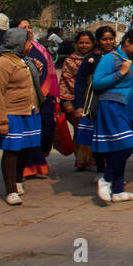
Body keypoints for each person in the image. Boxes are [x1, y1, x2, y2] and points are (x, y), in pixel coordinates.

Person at [90, 28, 133, 203]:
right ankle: (106, 179)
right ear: (126, 42)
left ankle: (118, 191)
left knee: (126, 146)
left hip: (131, 106)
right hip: (111, 106)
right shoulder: (110, 59)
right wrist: (120, 73)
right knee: (124, 146)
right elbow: (97, 83)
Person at [0, 27, 42, 206]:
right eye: (27, 42)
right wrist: (1, 120)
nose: (30, 45)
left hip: (29, 110)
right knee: (12, 150)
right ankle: (10, 189)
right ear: (17, 42)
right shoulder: (3, 63)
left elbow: (28, 83)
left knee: (25, 147)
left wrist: (36, 71)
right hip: (12, 112)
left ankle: (18, 180)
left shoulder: (23, 60)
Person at [73, 25, 118, 176]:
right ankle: (100, 171)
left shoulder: (120, 56)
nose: (108, 42)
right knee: (98, 139)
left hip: (115, 103)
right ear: (98, 41)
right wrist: (79, 106)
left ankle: (113, 171)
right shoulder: (92, 58)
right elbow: (79, 81)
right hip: (95, 103)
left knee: (114, 139)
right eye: (104, 39)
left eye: (111, 39)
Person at [18, 19, 58, 180]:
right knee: (25, 134)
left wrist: (54, 95)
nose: (28, 30)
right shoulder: (6, 54)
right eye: (23, 28)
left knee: (46, 130)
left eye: (29, 27)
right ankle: (25, 168)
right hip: (20, 102)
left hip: (43, 97)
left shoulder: (40, 49)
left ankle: (39, 160)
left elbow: (51, 72)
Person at [58, 31, 94, 170]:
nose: (84, 45)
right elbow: (65, 81)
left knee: (93, 131)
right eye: (81, 43)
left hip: (93, 101)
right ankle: (80, 160)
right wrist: (67, 102)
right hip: (75, 101)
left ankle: (93, 159)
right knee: (80, 130)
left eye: (87, 42)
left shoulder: (98, 58)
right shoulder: (70, 61)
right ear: (76, 44)